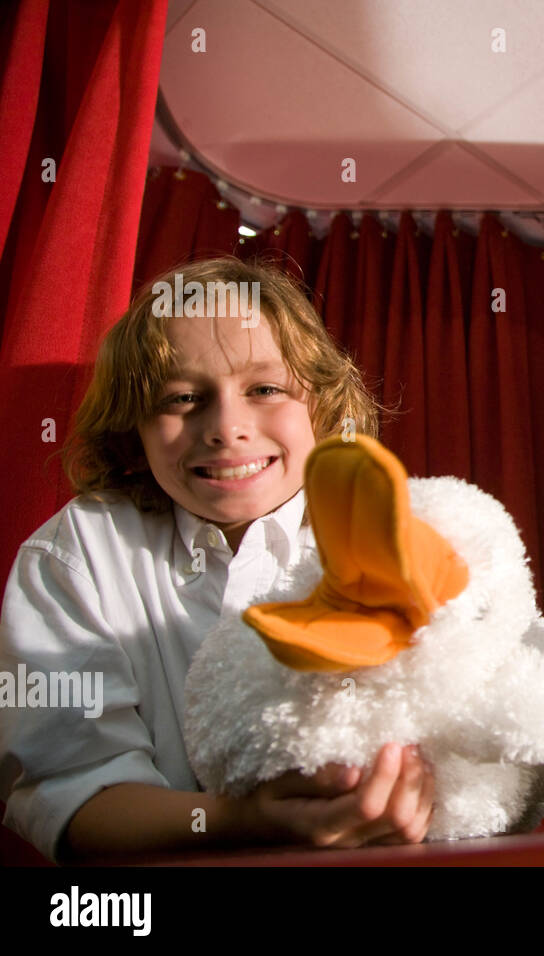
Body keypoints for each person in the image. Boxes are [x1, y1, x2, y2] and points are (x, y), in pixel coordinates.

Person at [0, 257, 436, 861]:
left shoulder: (411, 539)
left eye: (264, 389)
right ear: (134, 428)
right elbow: (71, 791)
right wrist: (240, 821)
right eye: (182, 397)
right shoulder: (77, 556)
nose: (227, 428)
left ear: (322, 403)